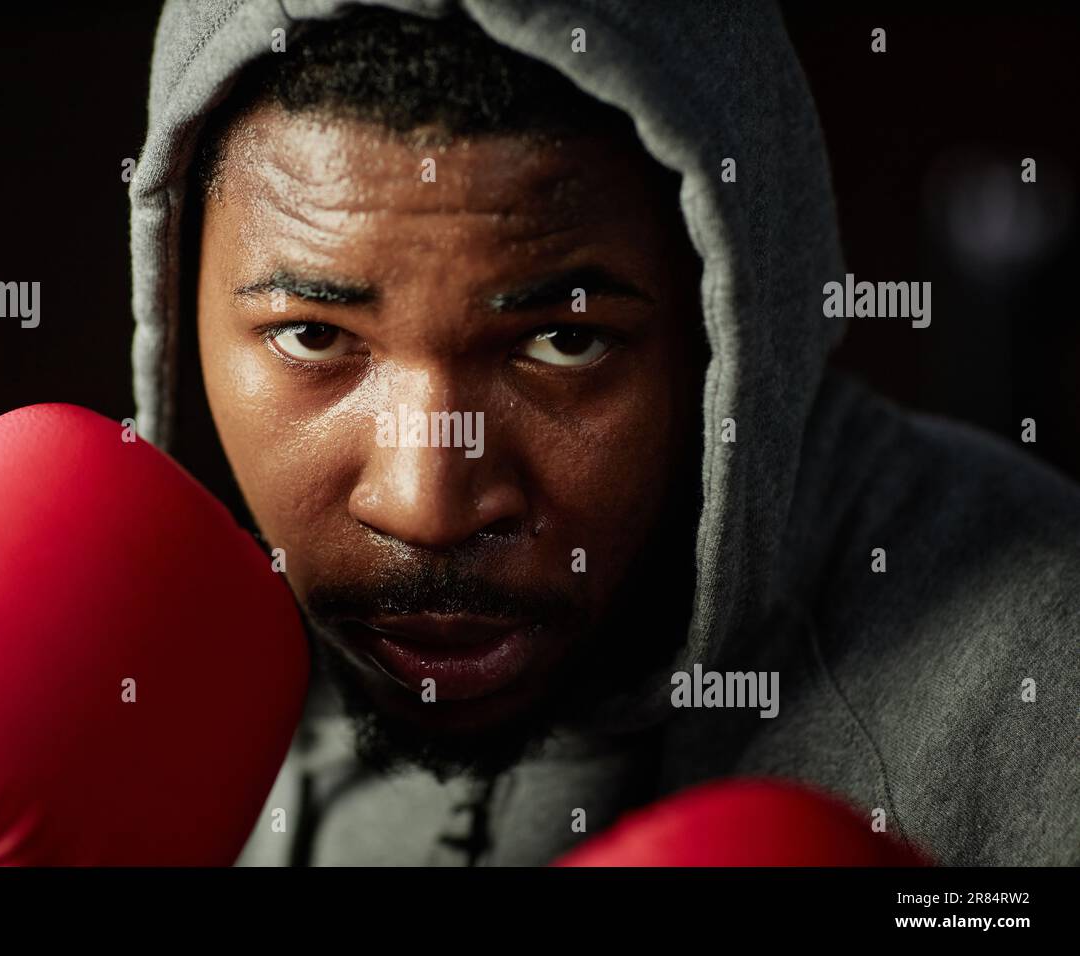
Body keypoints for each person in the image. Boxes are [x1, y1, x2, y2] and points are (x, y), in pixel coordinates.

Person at [127, 1, 1080, 865]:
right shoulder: (123, 671)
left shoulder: (1040, 697)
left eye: (565, 340)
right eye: (314, 335)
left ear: (735, 324)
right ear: (178, 302)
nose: (426, 505)